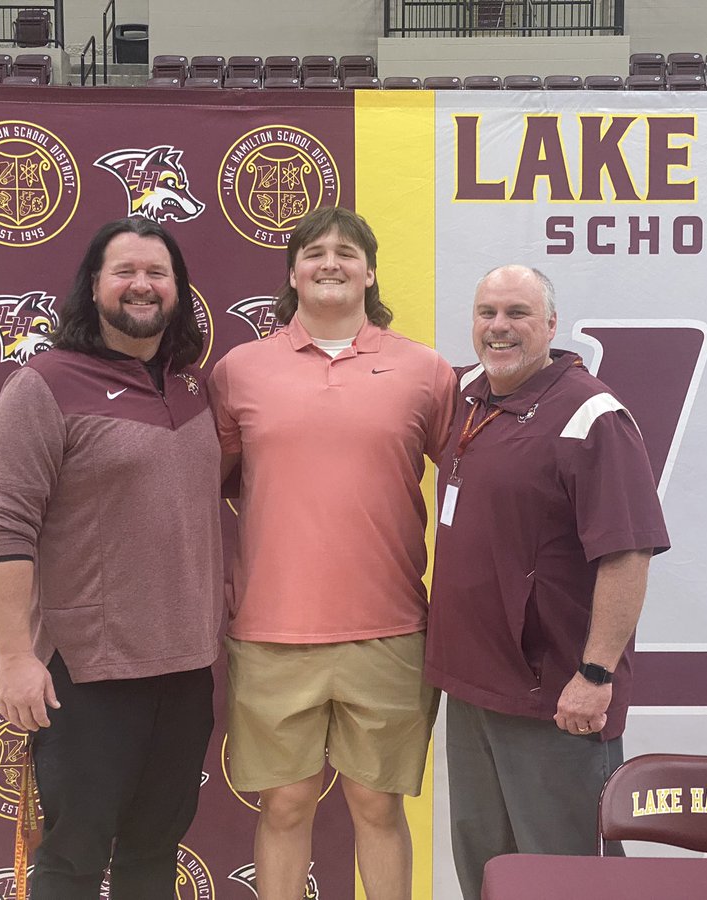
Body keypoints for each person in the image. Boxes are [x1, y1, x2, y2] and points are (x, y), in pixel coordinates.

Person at [209, 207, 456, 900]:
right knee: (285, 806)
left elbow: (475, 486)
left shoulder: (426, 371)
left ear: (370, 272)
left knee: (377, 807)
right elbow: (207, 488)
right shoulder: (238, 372)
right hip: (270, 632)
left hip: (389, 629)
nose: (330, 263)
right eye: (314, 252)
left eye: (347, 252)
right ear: (292, 273)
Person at [0, 217, 223, 899]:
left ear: (178, 289)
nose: (142, 285)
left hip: (186, 672)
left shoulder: (194, 389)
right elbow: (6, 526)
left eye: (157, 273)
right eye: (125, 271)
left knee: (154, 856)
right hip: (86, 673)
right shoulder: (44, 384)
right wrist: (15, 658)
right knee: (72, 863)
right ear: (93, 286)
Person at [425, 264, 670, 900]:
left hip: (555, 699)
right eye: (486, 313)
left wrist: (595, 675)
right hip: (474, 688)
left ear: (552, 325)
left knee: (568, 877)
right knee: (487, 870)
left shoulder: (593, 417)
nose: (499, 327)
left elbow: (629, 555)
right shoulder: (467, 395)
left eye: (518, 313)